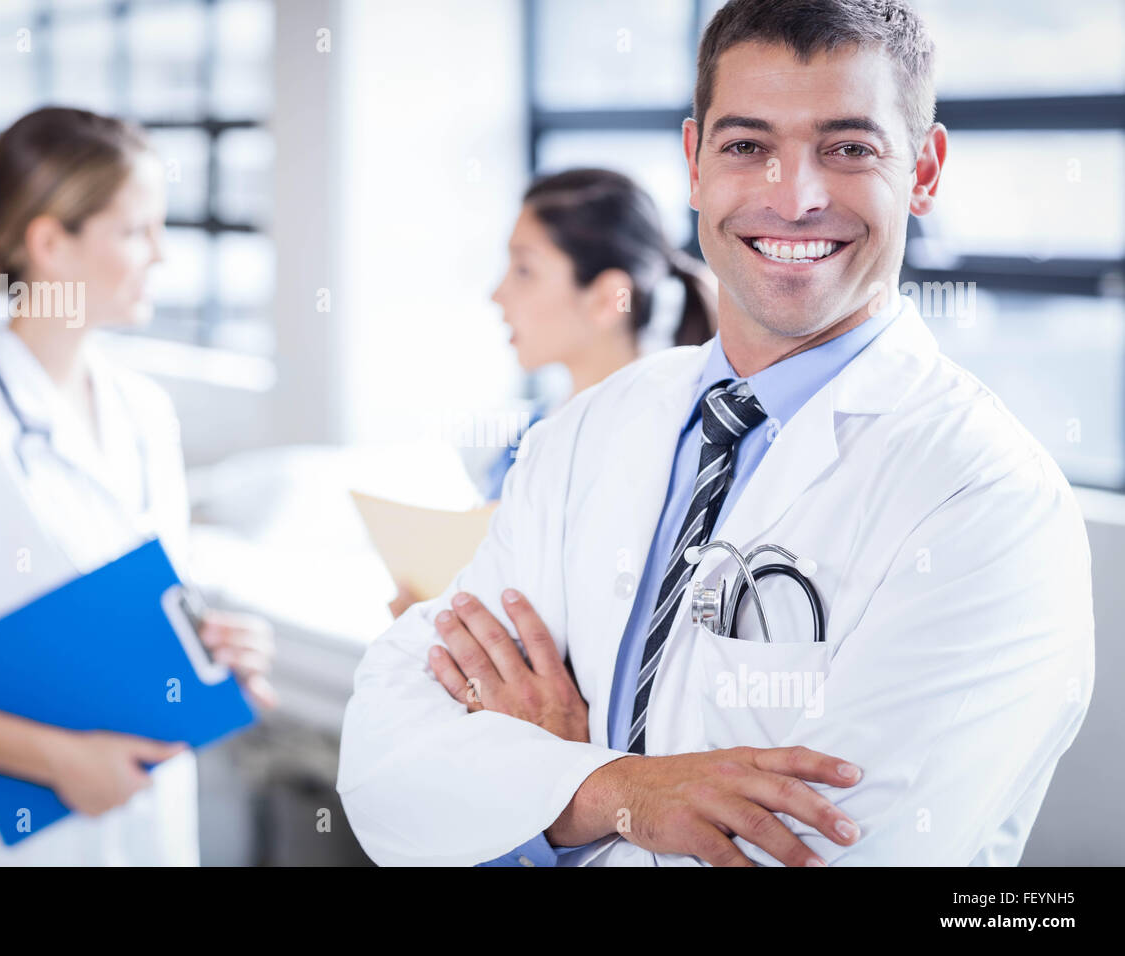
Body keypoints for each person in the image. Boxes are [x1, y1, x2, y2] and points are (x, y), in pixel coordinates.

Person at [338, 0, 1094, 867]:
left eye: (849, 148)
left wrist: (530, 787)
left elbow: (824, 854)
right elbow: (384, 752)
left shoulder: (987, 499)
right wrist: (611, 791)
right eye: (748, 146)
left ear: (924, 170)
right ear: (695, 163)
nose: (795, 196)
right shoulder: (586, 433)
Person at [0, 106, 275, 866]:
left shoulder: (143, 410)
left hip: (150, 828)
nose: (161, 255)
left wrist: (218, 656)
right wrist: (56, 759)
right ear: (48, 242)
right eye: (136, 231)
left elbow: (143, 610)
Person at [389, 168, 716, 617]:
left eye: (525, 270)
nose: (497, 294)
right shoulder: (528, 437)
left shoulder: (664, 448)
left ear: (606, 298)